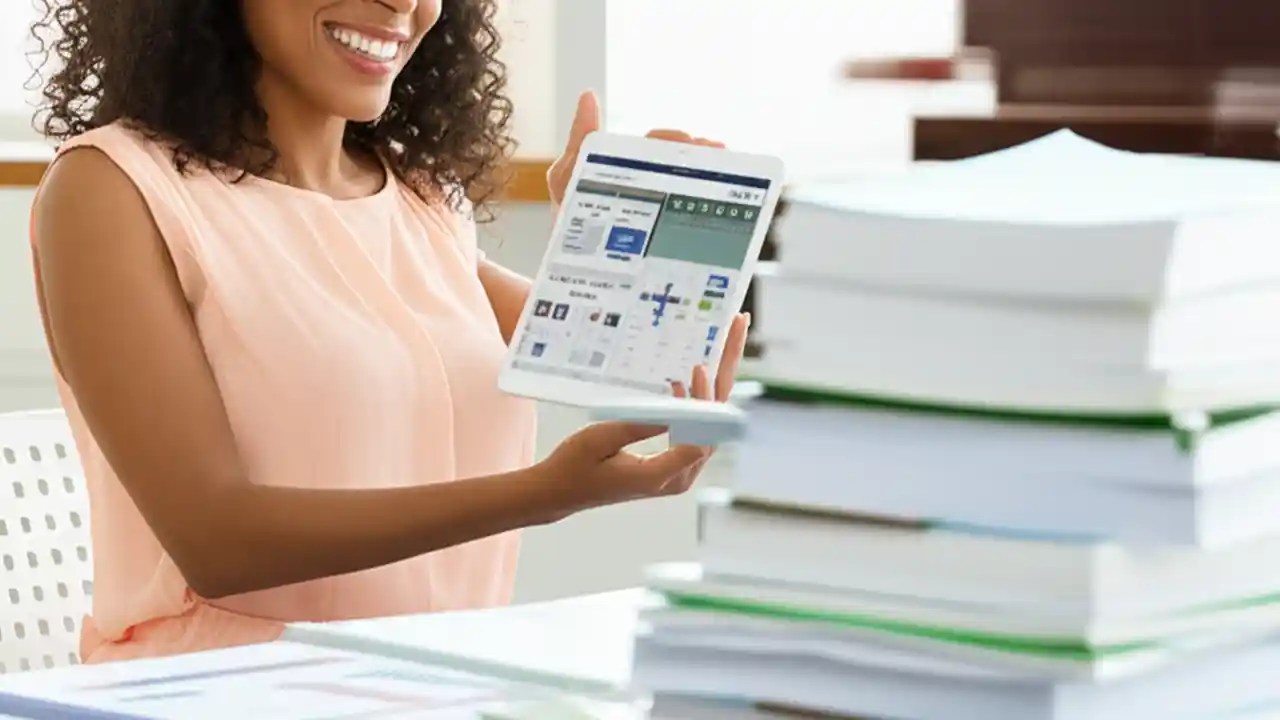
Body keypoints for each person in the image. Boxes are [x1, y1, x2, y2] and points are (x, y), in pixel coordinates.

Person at [29, 0, 748, 664]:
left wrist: (604, 253)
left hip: (438, 686)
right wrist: (543, 493)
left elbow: (620, 359)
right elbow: (217, 541)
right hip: (213, 692)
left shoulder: (420, 198)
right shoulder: (110, 191)